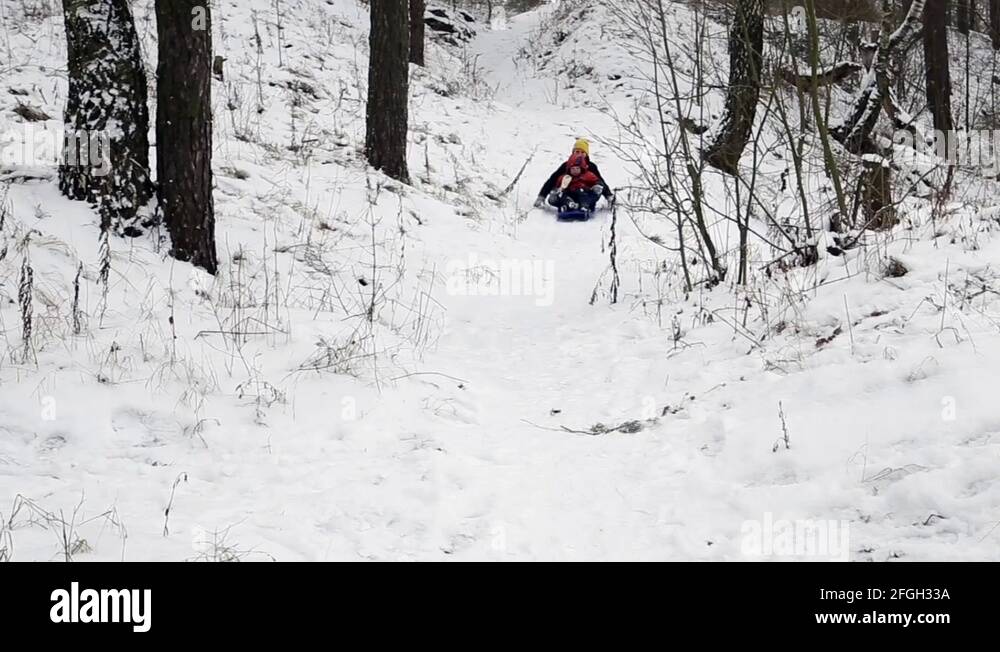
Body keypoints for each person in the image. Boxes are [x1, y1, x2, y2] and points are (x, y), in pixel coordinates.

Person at [534, 139, 613, 212]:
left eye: (582, 152)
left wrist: (608, 195)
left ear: (586, 154)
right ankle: (567, 204)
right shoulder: (566, 165)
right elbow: (553, 179)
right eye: (577, 152)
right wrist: (542, 196)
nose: (580, 154)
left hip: (585, 194)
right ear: (573, 153)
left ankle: (585, 204)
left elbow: (600, 181)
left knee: (596, 188)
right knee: (555, 197)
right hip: (570, 193)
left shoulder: (591, 166)